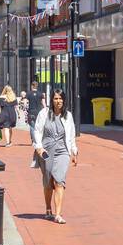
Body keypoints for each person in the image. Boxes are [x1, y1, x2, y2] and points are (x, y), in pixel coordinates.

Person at [32, 88, 78, 224]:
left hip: (62, 151)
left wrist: (74, 151)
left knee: (59, 181)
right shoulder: (44, 113)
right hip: (46, 150)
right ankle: (48, 208)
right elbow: (37, 131)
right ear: (51, 100)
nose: (58, 101)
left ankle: (58, 214)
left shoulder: (68, 116)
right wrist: (38, 147)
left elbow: (71, 135)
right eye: (56, 98)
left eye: (60, 98)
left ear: (64, 100)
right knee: (48, 181)